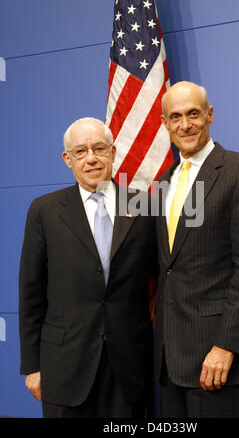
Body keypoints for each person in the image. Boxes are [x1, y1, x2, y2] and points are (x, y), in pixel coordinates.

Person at [19, 117, 156, 418]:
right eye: (81, 151)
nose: (91, 158)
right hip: (63, 368)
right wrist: (32, 366)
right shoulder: (44, 210)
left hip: (128, 369)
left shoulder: (144, 206)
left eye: (99, 148)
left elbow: (163, 280)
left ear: (113, 152)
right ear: (67, 159)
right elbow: (31, 293)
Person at [154, 81, 239, 418]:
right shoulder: (164, 182)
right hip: (170, 360)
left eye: (193, 113)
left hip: (218, 361)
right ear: (165, 124)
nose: (185, 124)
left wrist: (226, 346)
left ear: (210, 115)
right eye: (175, 117)